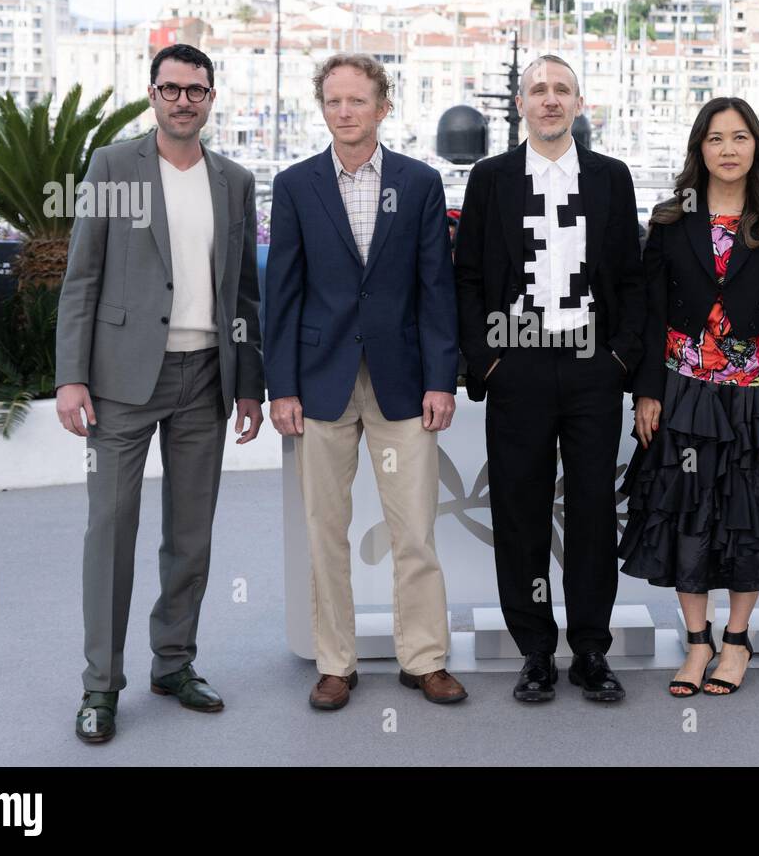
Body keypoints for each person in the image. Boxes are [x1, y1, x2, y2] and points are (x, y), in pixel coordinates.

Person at [55, 43, 265, 744]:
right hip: (120, 381)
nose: (184, 100)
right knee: (110, 532)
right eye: (171, 88)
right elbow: (82, 276)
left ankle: (174, 662)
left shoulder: (235, 180)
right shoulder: (114, 167)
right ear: (153, 94)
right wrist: (70, 376)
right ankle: (100, 686)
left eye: (196, 90)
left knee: (191, 536)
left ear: (211, 97)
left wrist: (249, 385)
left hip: (206, 375)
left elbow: (244, 291)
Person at [263, 53, 466, 711]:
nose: (344, 112)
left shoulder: (419, 182)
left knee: (414, 528)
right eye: (333, 101)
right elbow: (282, 293)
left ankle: (425, 659)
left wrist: (443, 378)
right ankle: (335, 663)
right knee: (326, 527)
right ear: (322, 107)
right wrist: (281, 387)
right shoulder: (295, 186)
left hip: (403, 381)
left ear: (383, 107)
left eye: (357, 101)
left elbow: (437, 288)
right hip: (319, 383)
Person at [454, 54, 646, 703]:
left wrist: (621, 358)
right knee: (520, 511)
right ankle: (536, 651)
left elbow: (631, 276)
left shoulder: (612, 180)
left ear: (579, 102)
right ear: (520, 104)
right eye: (539, 89)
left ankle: (591, 648)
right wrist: (489, 362)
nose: (550, 99)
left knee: (594, 510)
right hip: (519, 365)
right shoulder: (491, 179)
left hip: (594, 364)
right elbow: (469, 277)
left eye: (561, 89)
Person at [619, 97, 759, 697]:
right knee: (688, 518)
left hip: (753, 399)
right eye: (716, 138)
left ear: (757, 147)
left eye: (740, 137)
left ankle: (736, 641)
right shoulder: (671, 220)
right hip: (683, 394)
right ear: (699, 148)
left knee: (747, 518)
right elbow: (648, 314)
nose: (728, 149)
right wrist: (647, 392)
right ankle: (697, 642)